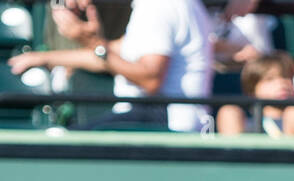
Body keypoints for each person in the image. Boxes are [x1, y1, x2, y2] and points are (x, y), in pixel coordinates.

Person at [8, 0, 213, 132]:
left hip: (160, 125)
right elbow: (111, 55)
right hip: (152, 122)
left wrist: (93, 42)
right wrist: (46, 58)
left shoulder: (159, 6)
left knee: (62, 140)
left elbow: (150, 79)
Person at [217, 50, 294, 135]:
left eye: (286, 77)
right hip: (250, 156)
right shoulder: (244, 123)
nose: (281, 83)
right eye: (270, 79)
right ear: (252, 89)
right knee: (229, 111)